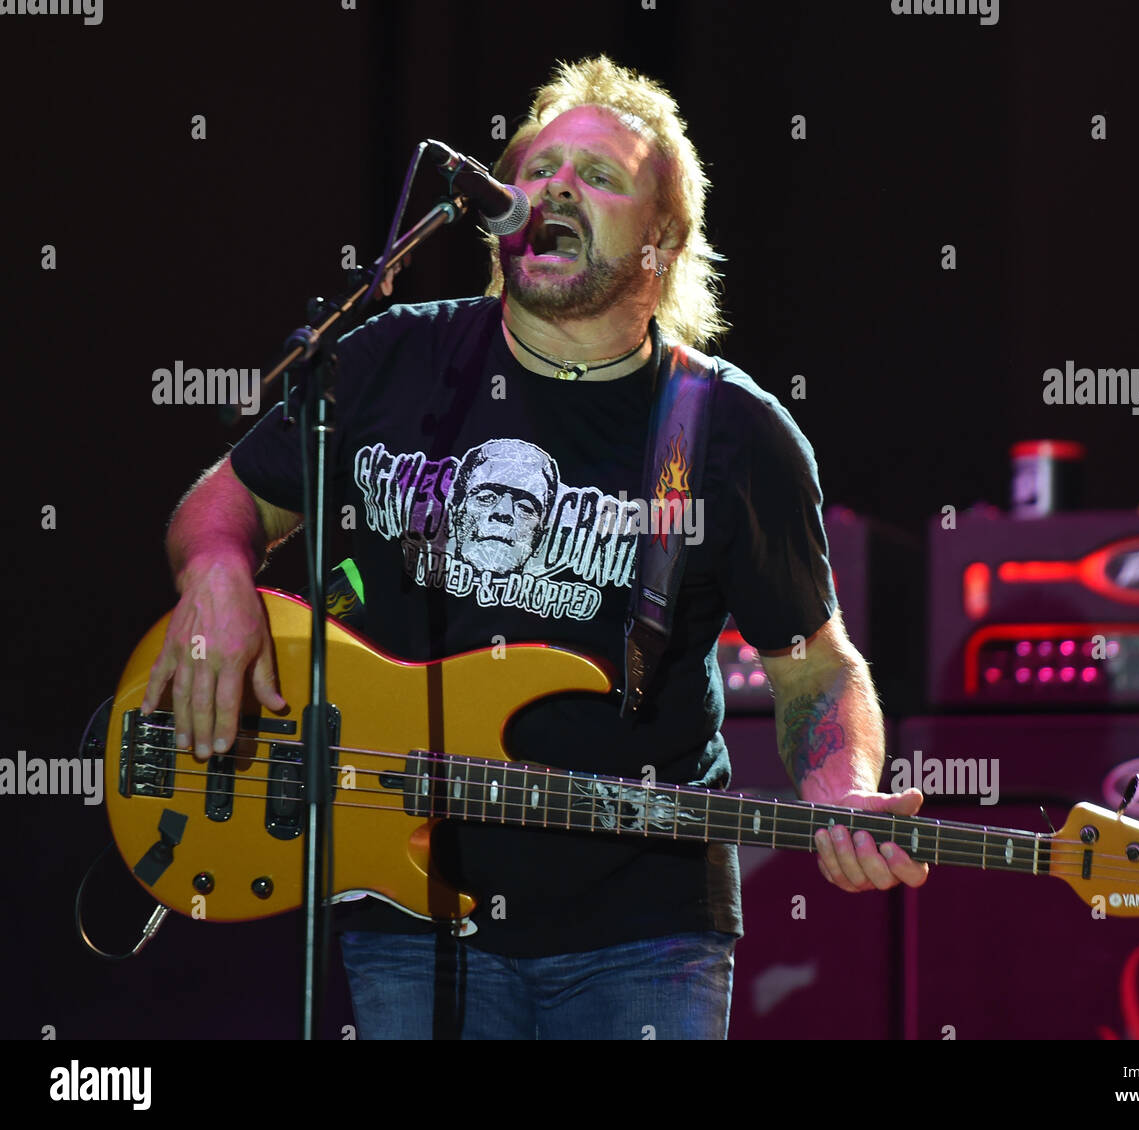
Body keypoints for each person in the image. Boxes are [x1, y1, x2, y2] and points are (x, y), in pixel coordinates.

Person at [140, 55, 929, 1040]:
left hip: (643, 928)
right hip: (405, 902)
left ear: (660, 241)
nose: (555, 187)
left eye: (598, 176)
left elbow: (814, 665)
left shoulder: (730, 433)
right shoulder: (391, 358)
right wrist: (215, 570)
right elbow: (224, 504)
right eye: (539, 168)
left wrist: (840, 785)